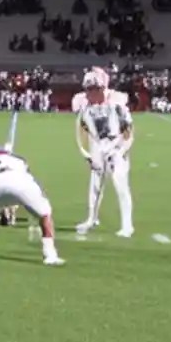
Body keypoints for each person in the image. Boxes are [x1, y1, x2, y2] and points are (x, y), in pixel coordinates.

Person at [74, 70, 135, 237]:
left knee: (120, 184)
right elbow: (80, 130)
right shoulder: (85, 107)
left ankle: (127, 225)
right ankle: (91, 219)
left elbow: (128, 130)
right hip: (98, 148)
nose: (89, 93)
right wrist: (87, 153)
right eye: (88, 89)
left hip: (116, 147)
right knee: (94, 187)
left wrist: (121, 150)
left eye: (93, 89)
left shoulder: (116, 103)